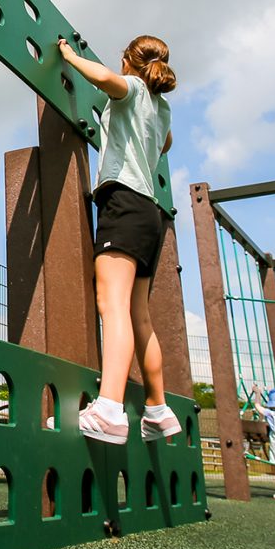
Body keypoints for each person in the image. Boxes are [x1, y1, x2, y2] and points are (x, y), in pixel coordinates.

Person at [58, 34, 181, 444]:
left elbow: (106, 79)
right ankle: (157, 410)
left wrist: (69, 55)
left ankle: (109, 408)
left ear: (130, 62)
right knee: (138, 313)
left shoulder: (132, 89)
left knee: (112, 307)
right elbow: (165, 143)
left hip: (123, 202)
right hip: (149, 213)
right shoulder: (162, 111)